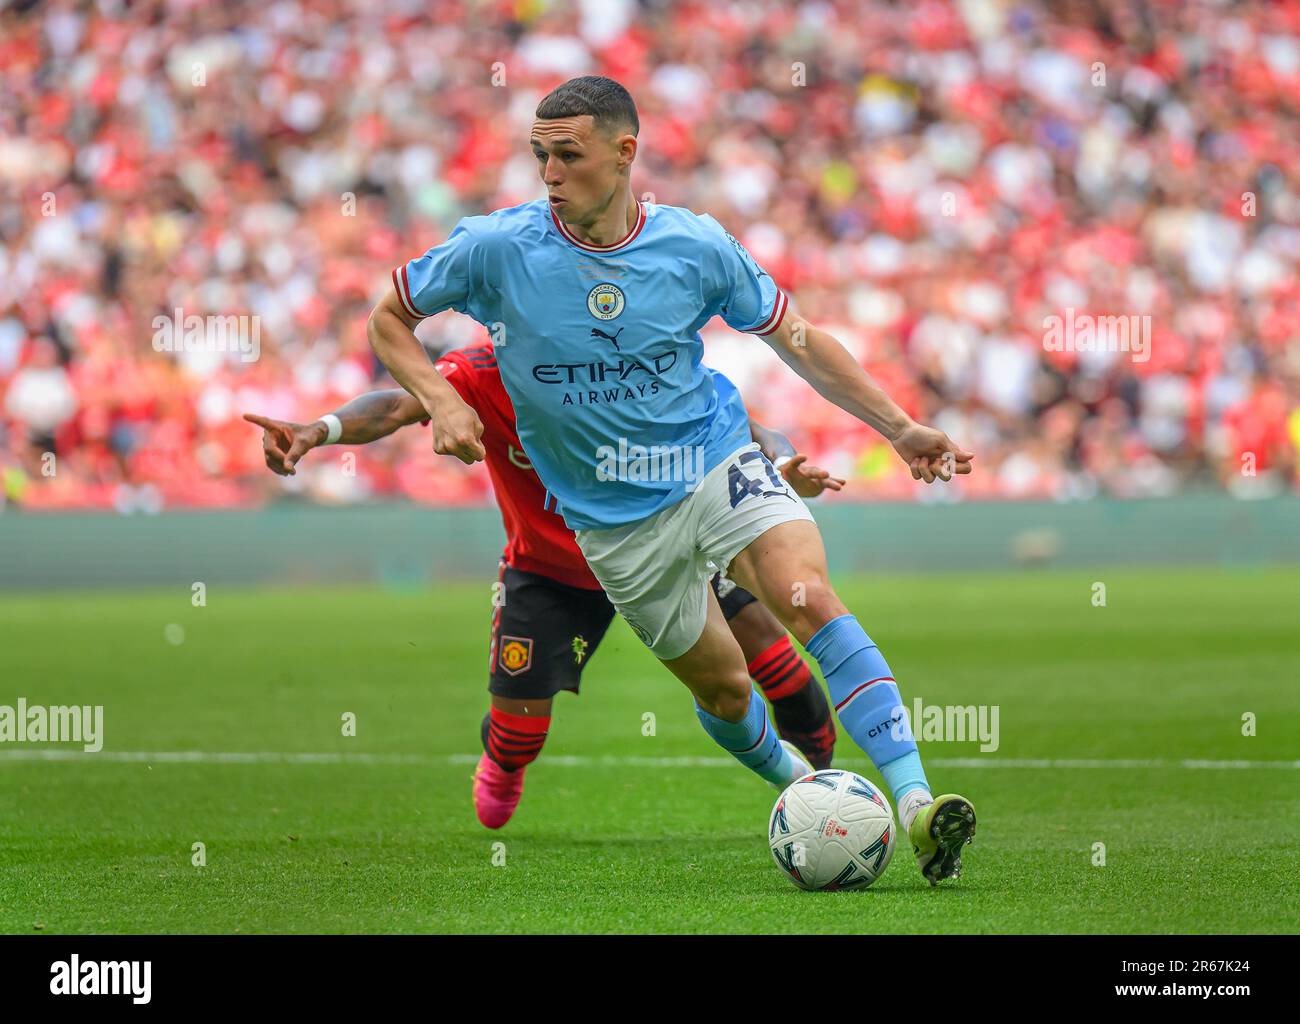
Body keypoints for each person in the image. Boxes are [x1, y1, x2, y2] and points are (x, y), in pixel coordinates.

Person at [368, 76, 977, 884]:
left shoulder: (694, 245)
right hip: (615, 526)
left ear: (625, 153)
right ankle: (806, 794)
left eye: (568, 155)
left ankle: (915, 804)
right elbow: (389, 318)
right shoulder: (496, 247)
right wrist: (442, 403)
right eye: (539, 155)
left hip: (712, 462)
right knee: (726, 693)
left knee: (807, 598)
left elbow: (797, 339)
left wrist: (899, 428)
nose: (549, 173)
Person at [244, 343, 841, 829]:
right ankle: (503, 759)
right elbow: (399, 407)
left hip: (665, 544)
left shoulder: (620, 359)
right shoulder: (480, 373)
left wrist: (784, 459)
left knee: (776, 660)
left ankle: (823, 803)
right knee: (518, 735)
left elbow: (747, 424)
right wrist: (317, 431)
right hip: (551, 571)